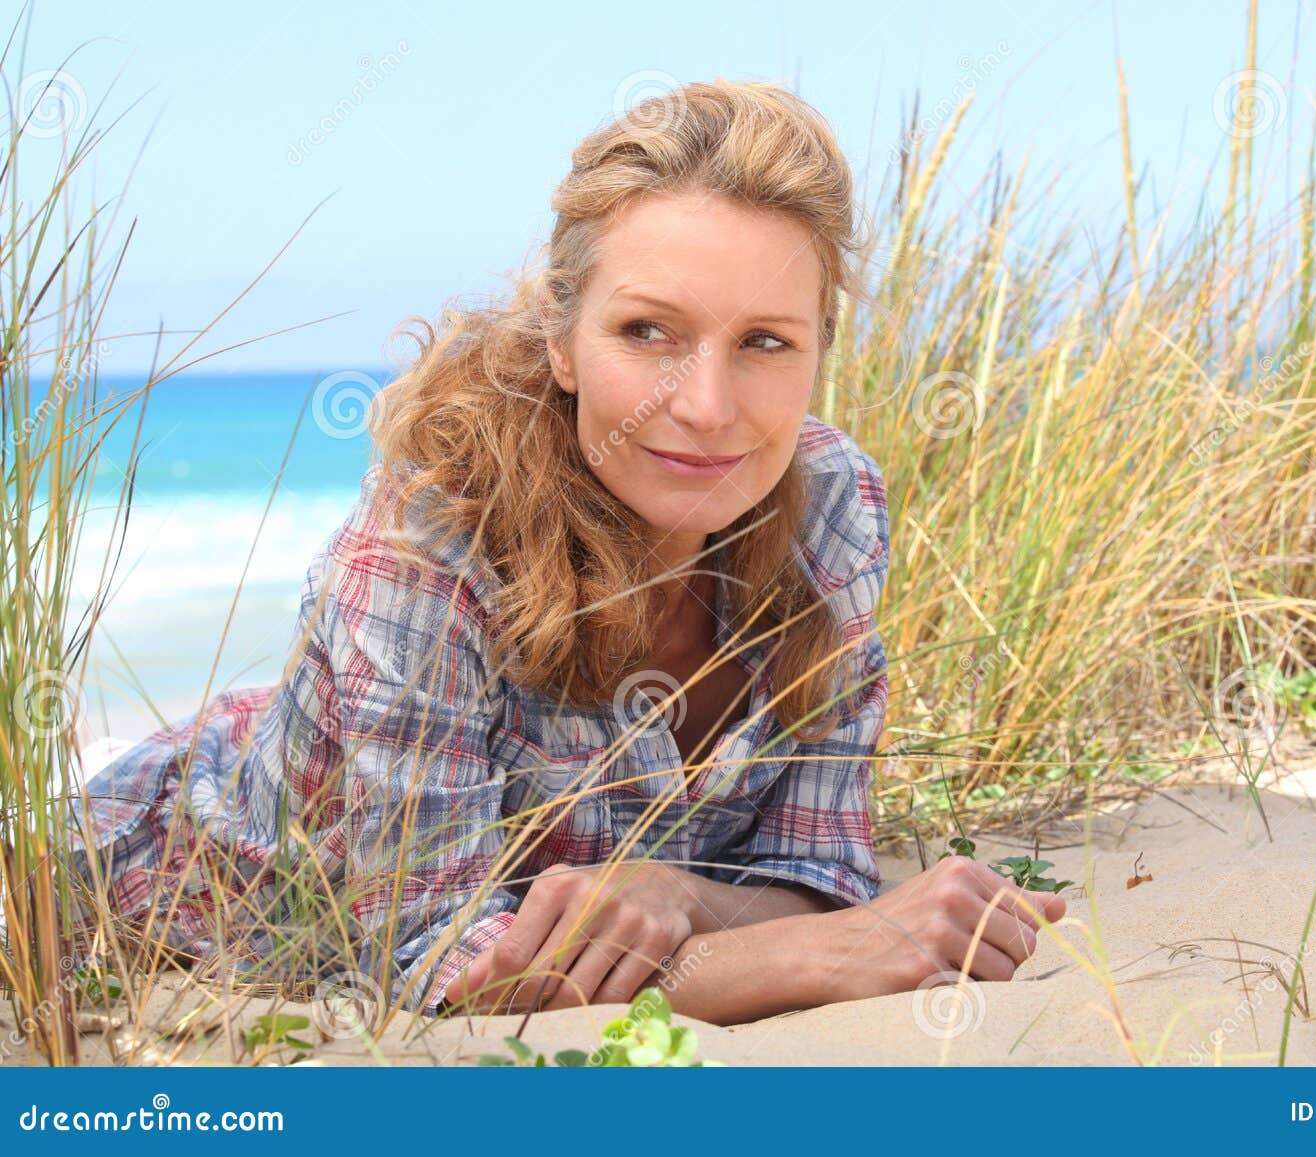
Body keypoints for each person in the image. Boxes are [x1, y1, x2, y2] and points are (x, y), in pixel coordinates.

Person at [64, 78, 1065, 1027]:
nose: (708, 406)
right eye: (647, 330)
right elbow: (434, 959)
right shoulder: (426, 545)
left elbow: (815, 868)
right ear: (560, 336)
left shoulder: (833, 506)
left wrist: (676, 891)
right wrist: (815, 955)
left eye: (764, 341)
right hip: (140, 886)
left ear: (820, 348)